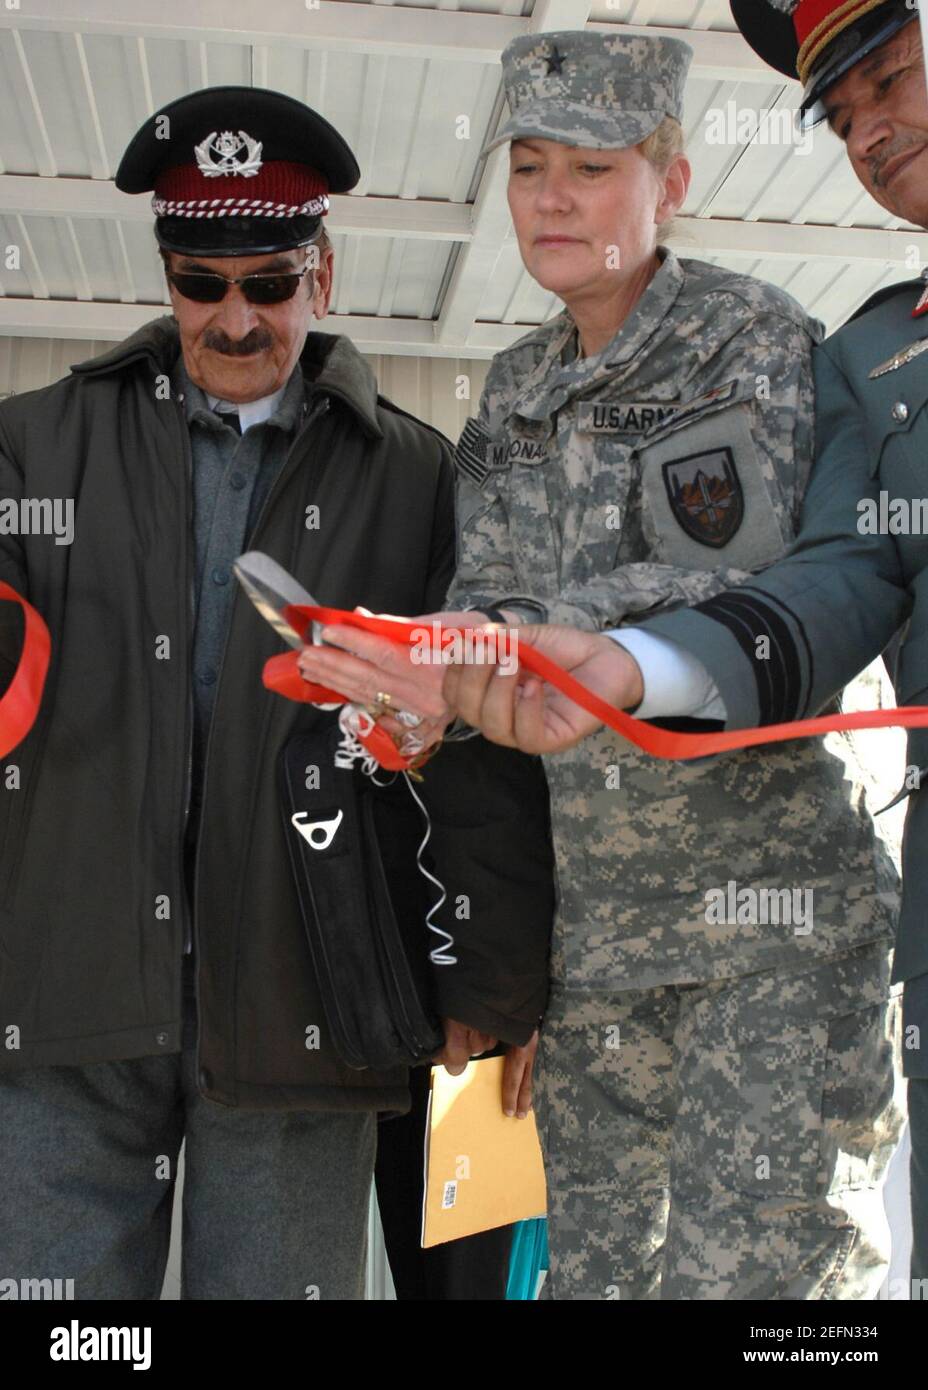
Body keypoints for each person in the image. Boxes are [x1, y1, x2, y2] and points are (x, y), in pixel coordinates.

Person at [296, 28, 904, 1299]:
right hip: (595, 953)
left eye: (593, 164)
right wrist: (417, 704)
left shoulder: (751, 337)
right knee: (589, 1284)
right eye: (528, 167)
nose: (554, 198)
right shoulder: (511, 395)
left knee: (766, 1290)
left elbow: (740, 584)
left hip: (769, 932)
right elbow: (483, 616)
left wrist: (506, 649)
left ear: (669, 183)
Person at [0, 85, 554, 1300]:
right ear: (166, 275)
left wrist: (497, 994)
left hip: (308, 994)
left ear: (326, 271)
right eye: (201, 282)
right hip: (68, 1001)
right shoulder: (29, 451)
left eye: (270, 281)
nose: (235, 317)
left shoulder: (422, 483)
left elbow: (487, 759)